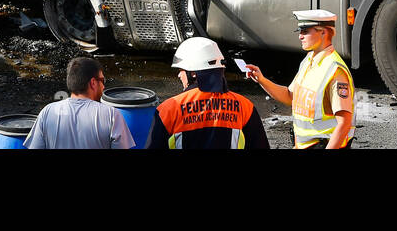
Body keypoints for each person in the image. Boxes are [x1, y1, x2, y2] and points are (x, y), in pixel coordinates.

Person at [244, 9, 355, 149]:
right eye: (300, 31)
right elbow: (290, 96)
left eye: (305, 31)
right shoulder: (309, 60)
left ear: (323, 32)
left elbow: (344, 123)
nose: (300, 37)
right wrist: (262, 80)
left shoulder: (335, 71)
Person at [147, 37, 269, 149]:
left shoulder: (169, 109)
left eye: (181, 70)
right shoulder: (245, 106)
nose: (179, 75)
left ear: (193, 73)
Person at [24, 58, 135, 149]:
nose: (104, 86)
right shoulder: (111, 114)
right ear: (93, 82)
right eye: (102, 80)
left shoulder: (47, 112)